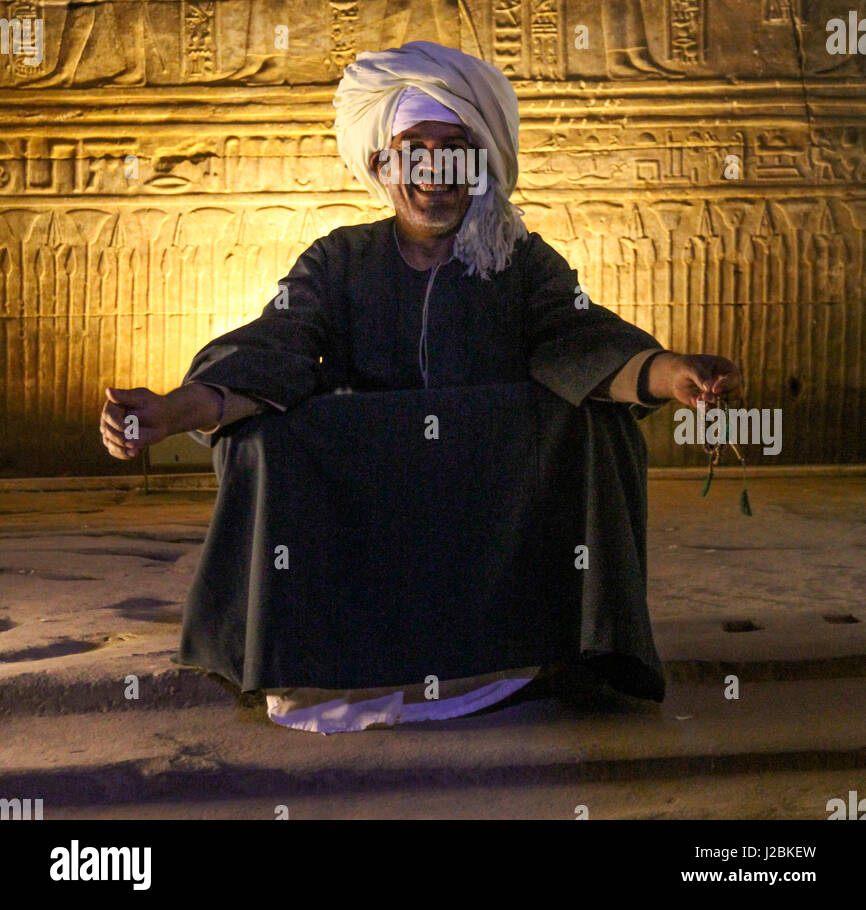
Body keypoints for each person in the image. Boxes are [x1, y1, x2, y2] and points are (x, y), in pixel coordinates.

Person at [100, 40, 740, 733]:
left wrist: (671, 373)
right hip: (366, 497)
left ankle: (556, 647)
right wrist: (173, 410)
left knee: (597, 421)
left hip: (490, 503)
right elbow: (277, 345)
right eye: (414, 151)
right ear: (382, 164)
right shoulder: (342, 258)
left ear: (481, 164)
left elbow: (580, 343)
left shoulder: (518, 260)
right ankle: (317, 657)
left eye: (455, 151)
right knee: (262, 438)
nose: (434, 172)